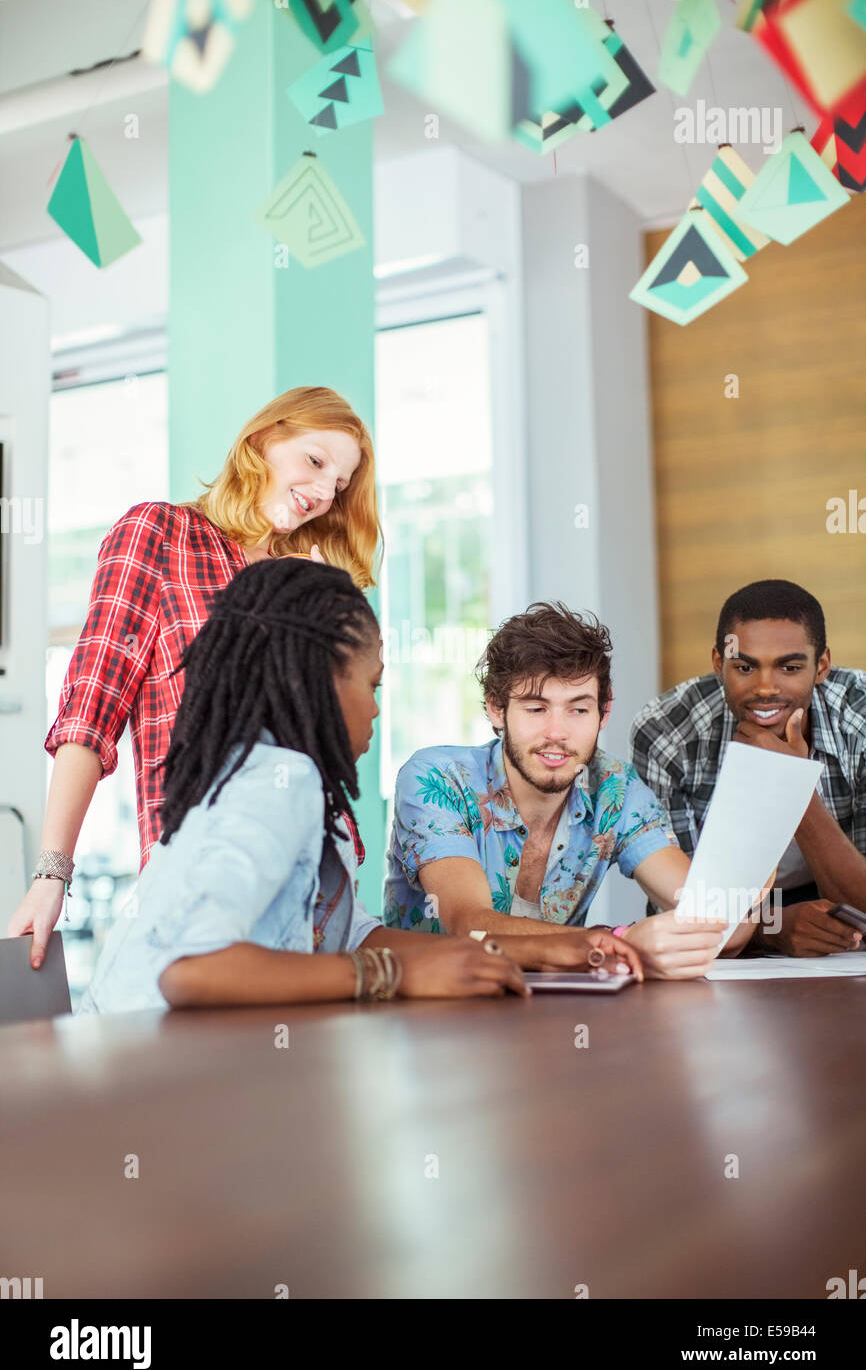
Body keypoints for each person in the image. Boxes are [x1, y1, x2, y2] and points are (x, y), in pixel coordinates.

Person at [79, 561, 639, 1012]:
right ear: (316, 683)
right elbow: (189, 971)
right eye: (371, 685)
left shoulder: (303, 789)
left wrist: (543, 947)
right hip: (143, 1073)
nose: (375, 709)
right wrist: (394, 975)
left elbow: (352, 937)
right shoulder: (277, 781)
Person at [9, 385, 380, 969]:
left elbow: (337, 735)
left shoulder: (307, 580)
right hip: (203, 873)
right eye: (314, 461)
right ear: (261, 440)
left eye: (339, 485)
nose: (321, 491)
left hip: (321, 876)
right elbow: (93, 704)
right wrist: (52, 872)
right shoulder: (161, 534)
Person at [385, 602, 745, 980]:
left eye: (578, 710)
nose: (557, 733)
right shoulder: (437, 779)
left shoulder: (614, 787)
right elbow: (470, 924)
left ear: (603, 713)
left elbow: (718, 922)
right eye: (536, 708)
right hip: (433, 1016)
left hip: (555, 1015)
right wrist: (616, 941)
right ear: (495, 708)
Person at [629, 579, 866, 958]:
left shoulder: (860, 722)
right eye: (745, 667)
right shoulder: (667, 733)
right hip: (730, 928)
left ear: (821, 666)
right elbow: (688, 912)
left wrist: (791, 783)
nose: (766, 687)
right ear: (719, 664)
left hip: (835, 918)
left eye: (789, 667)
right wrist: (770, 929)